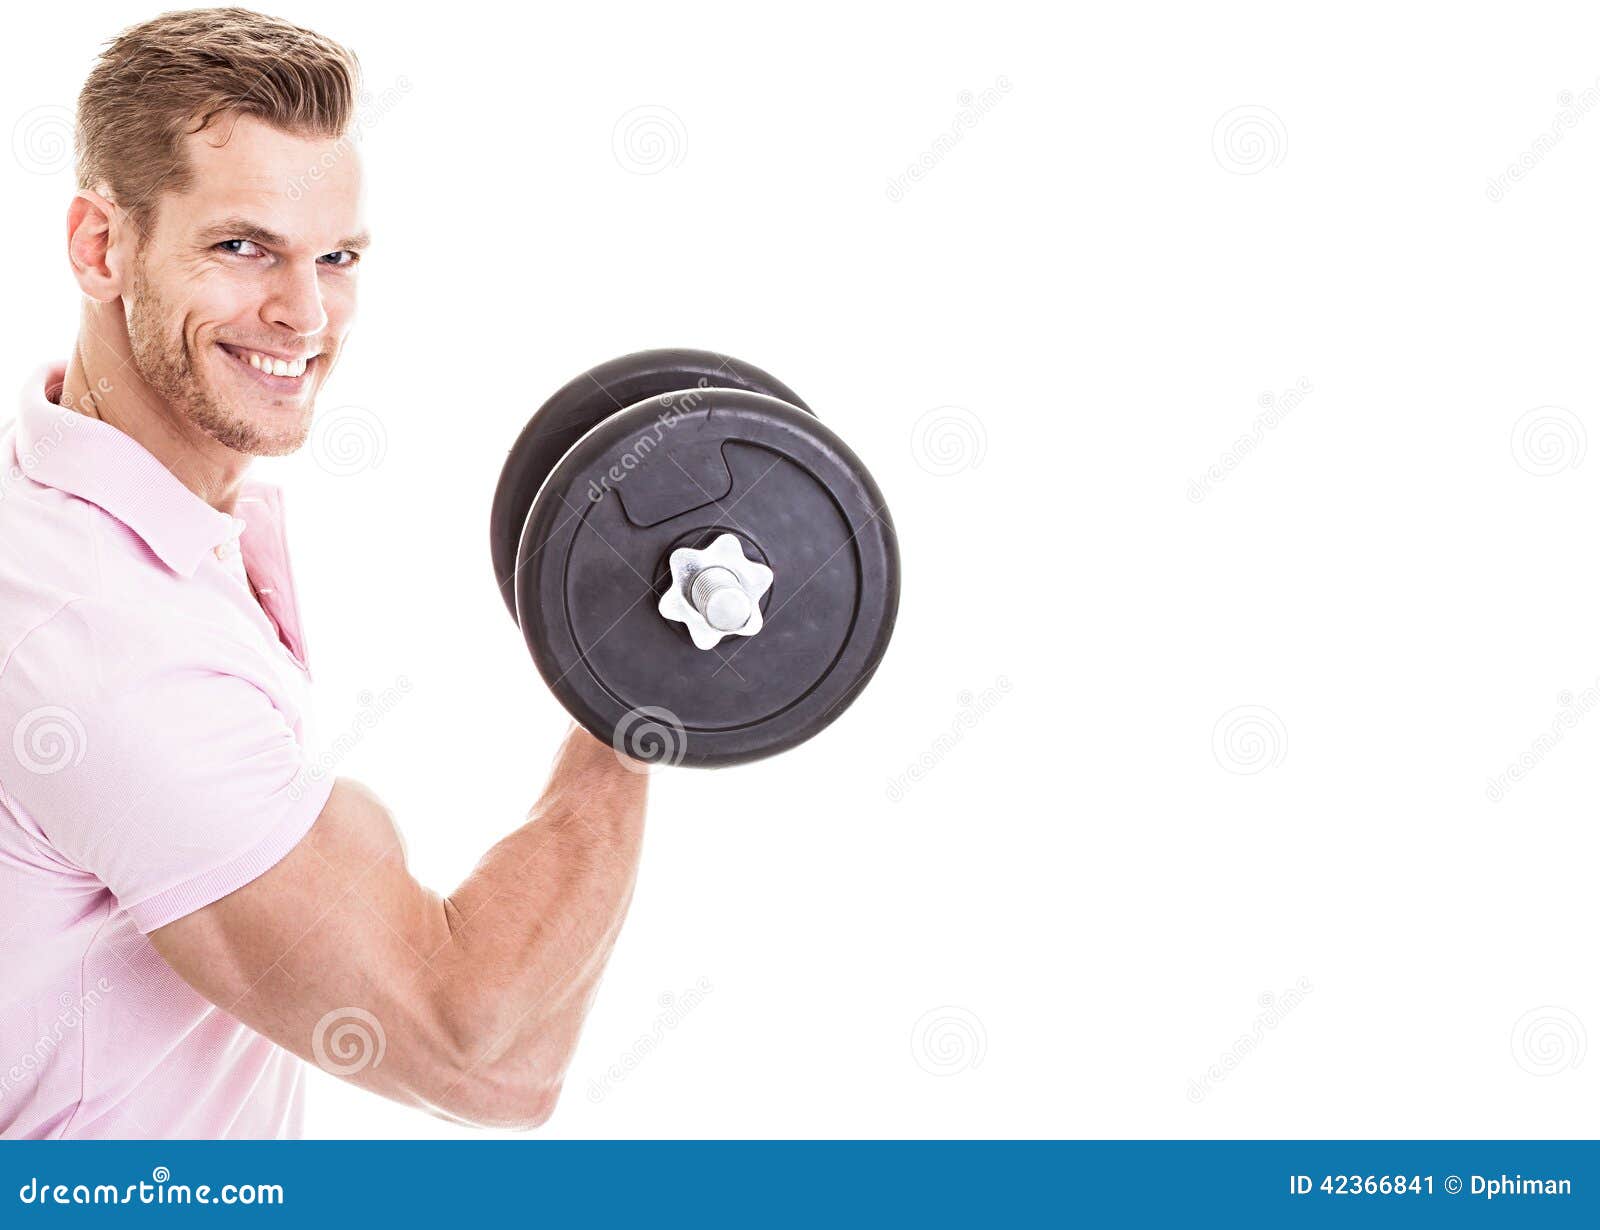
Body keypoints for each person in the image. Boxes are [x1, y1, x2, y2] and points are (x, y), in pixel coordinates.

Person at [0, 7, 647, 1138]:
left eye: (335, 258)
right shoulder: (103, 638)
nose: (304, 315)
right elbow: (481, 1055)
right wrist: (639, 687)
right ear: (101, 246)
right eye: (242, 247)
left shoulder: (75, 506)